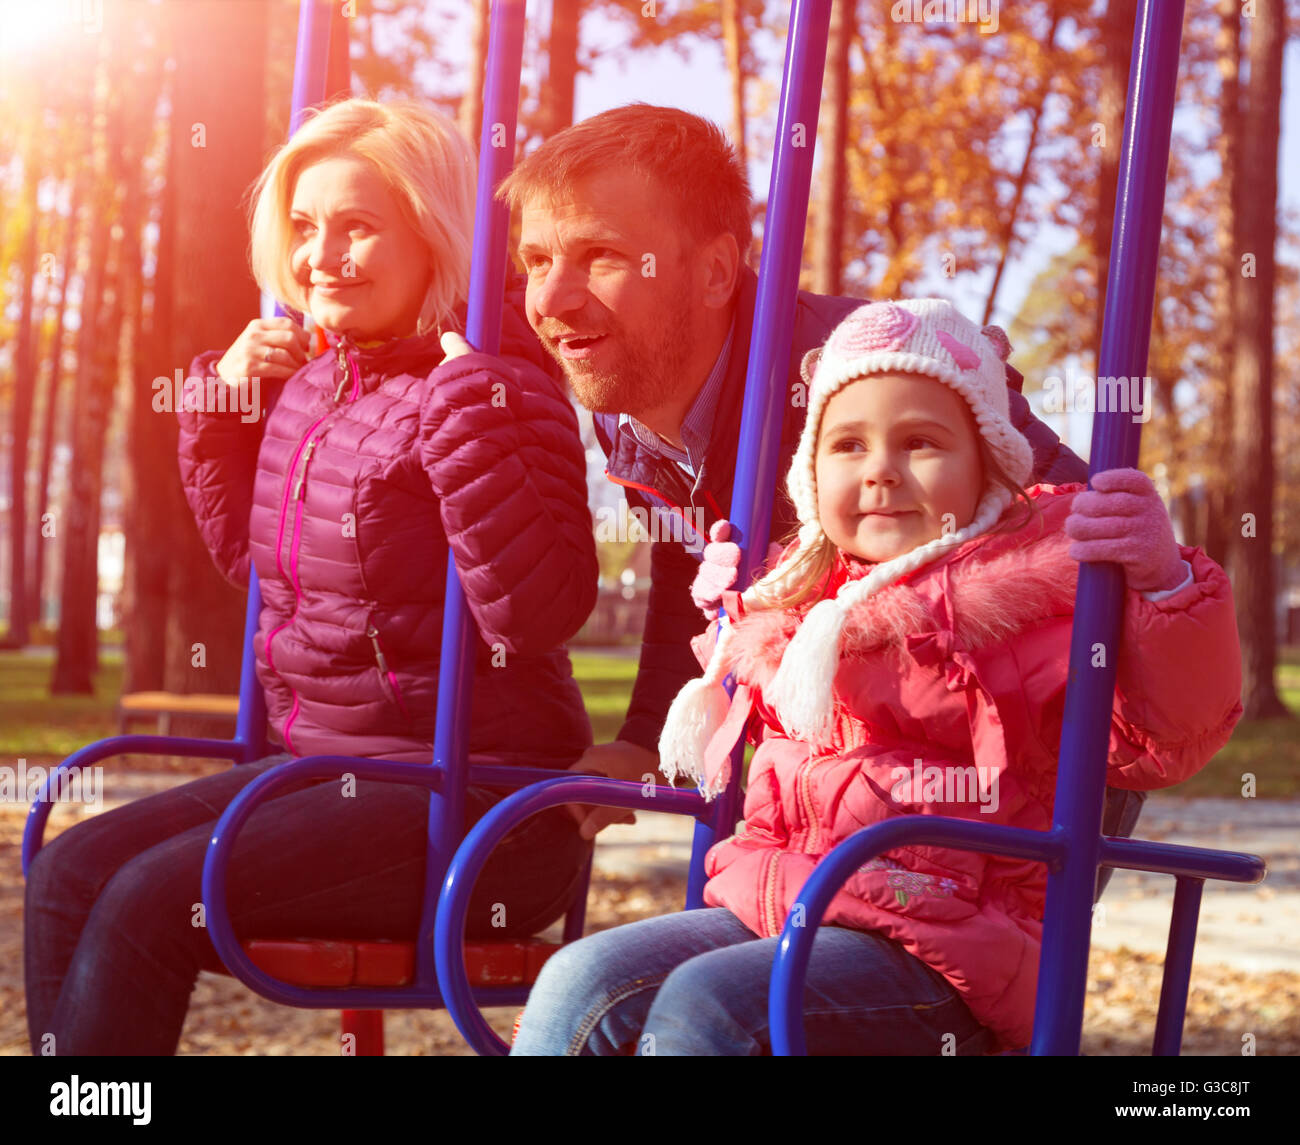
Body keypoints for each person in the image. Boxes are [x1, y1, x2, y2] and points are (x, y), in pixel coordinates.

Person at [510, 299, 1243, 1055]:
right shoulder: (803, 605)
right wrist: (733, 623)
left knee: (711, 1011)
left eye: (920, 442)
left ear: (986, 465)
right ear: (813, 471)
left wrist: (1163, 586)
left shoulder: (1037, 599)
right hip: (788, 898)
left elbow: (1164, 737)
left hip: (946, 945)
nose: (881, 470)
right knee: (580, 979)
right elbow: (766, 750)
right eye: (848, 445)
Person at [24, 97, 598, 1055]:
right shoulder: (315, 386)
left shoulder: (499, 384)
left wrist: (470, 425)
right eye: (303, 227)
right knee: (69, 866)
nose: (322, 254)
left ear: (434, 238)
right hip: (325, 774)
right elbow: (264, 573)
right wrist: (226, 412)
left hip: (482, 805)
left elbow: (538, 614)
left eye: (358, 227)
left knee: (148, 899)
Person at [493, 104, 1146, 858]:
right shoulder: (630, 402)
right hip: (855, 770)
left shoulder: (866, 372)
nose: (550, 300)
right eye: (537, 260)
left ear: (713, 271)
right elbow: (695, 568)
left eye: (599, 255)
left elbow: (1065, 528)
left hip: (1010, 762)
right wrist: (646, 740)